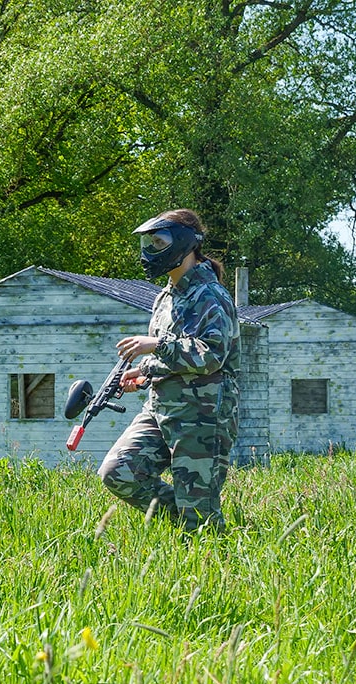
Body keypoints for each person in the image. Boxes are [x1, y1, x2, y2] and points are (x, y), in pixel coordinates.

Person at [98, 209, 240, 533]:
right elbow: (172, 356)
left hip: (202, 414)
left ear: (185, 244)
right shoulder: (165, 297)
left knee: (200, 519)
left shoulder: (210, 294)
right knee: (119, 472)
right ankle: (189, 515)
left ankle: (207, 542)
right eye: (148, 242)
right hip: (161, 409)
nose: (150, 250)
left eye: (158, 241)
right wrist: (144, 374)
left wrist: (157, 345)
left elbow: (212, 355)